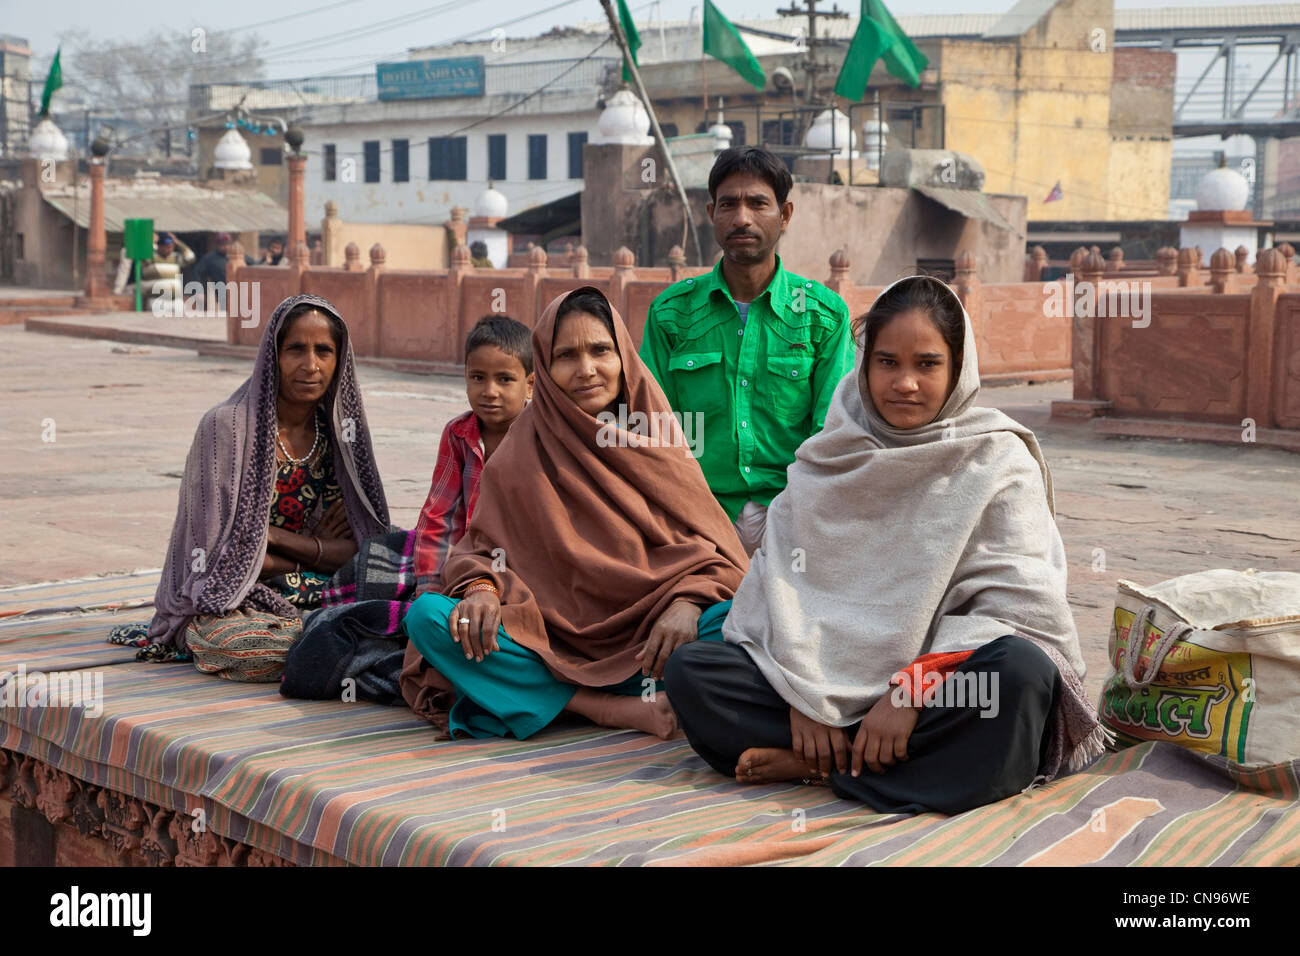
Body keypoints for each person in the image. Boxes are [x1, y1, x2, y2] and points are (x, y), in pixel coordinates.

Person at [665, 275, 1106, 815]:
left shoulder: (996, 459)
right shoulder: (829, 455)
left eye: (927, 363)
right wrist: (800, 692)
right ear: (864, 365)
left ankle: (830, 766)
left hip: (935, 693)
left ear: (957, 367)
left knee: (1019, 674)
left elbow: (1015, 602)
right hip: (816, 682)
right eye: (887, 362)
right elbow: (775, 586)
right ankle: (870, 761)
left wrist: (913, 686)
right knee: (694, 673)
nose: (905, 383)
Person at [400, 286, 748, 741]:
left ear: (624, 356)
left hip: (654, 644)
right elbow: (479, 551)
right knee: (429, 618)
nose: (586, 370)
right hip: (550, 646)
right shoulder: (520, 453)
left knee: (741, 621)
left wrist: (688, 602)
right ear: (543, 366)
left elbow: (718, 554)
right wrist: (482, 591)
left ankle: (538, 700)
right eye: (566, 355)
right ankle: (604, 708)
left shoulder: (655, 438)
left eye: (601, 350)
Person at [110, 293, 390, 681]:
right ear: (272, 356)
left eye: (324, 351)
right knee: (244, 645)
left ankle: (330, 645)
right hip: (233, 598)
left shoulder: (340, 436)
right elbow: (213, 561)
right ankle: (339, 648)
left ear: (339, 360)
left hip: (319, 589)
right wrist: (310, 554)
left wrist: (269, 539)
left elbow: (360, 548)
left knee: (400, 577)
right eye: (296, 349)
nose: (310, 365)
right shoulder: (226, 429)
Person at [640, 145, 854, 556]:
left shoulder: (822, 316)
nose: (742, 218)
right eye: (729, 205)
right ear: (710, 214)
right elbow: (655, 427)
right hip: (697, 519)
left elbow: (831, 432)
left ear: (785, 215)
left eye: (758, 203)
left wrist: (796, 515)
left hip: (794, 515)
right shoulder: (671, 313)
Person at [414, 315, 534, 596]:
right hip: (467, 564)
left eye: (505, 379)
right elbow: (438, 516)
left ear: (529, 384)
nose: (489, 392)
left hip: (527, 568)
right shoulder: (458, 435)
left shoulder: (542, 434)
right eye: (478, 378)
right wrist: (429, 585)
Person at [112, 232, 195, 300]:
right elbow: (139, 254)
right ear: (159, 246)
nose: (170, 249)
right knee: (130, 290)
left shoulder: (175, 257)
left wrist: (177, 242)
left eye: (172, 247)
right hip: (155, 292)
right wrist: (150, 242)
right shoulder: (152, 256)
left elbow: (190, 257)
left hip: (174, 296)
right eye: (167, 247)